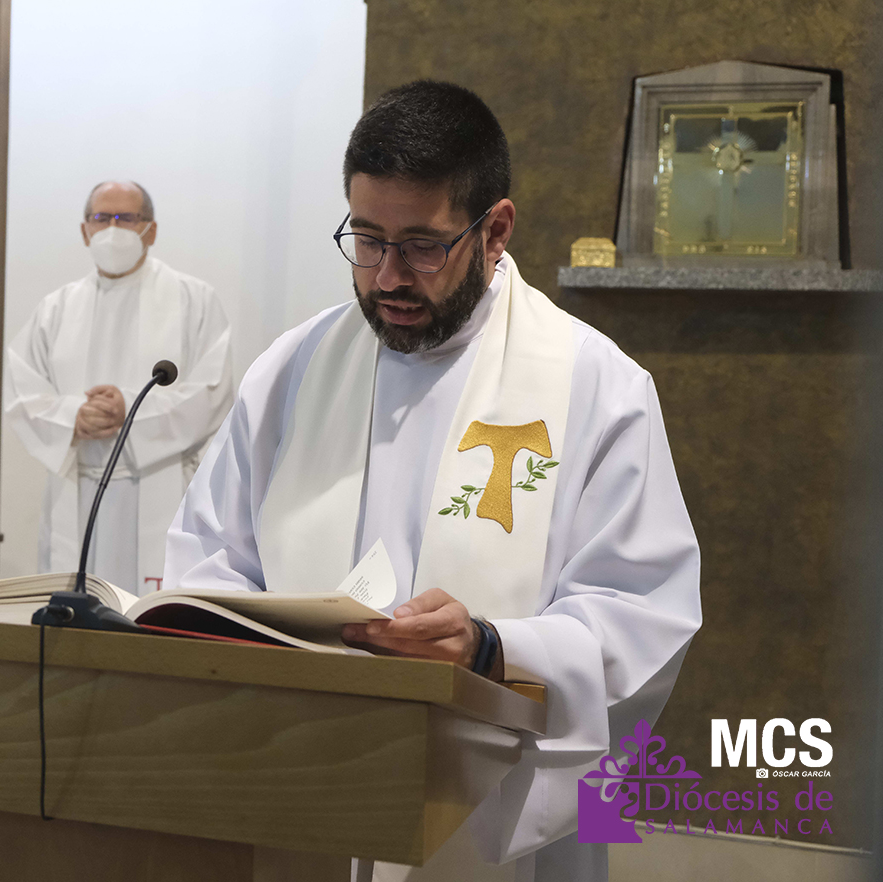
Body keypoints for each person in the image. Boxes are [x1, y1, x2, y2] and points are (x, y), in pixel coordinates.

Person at [163, 81, 702, 881]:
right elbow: (210, 561)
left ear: (495, 231)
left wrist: (488, 646)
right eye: (368, 239)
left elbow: (643, 617)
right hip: (302, 782)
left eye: (422, 245)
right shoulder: (293, 370)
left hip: (494, 821)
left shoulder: (597, 386)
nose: (386, 278)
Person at [5, 181, 233, 595]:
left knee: (153, 617)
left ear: (151, 230)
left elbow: (211, 390)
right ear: (84, 231)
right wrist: (73, 415)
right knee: (71, 616)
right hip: (76, 488)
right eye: (101, 218)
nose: (113, 228)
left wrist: (129, 409)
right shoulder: (56, 308)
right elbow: (23, 390)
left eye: (126, 218)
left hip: (157, 483)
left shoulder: (193, 299)